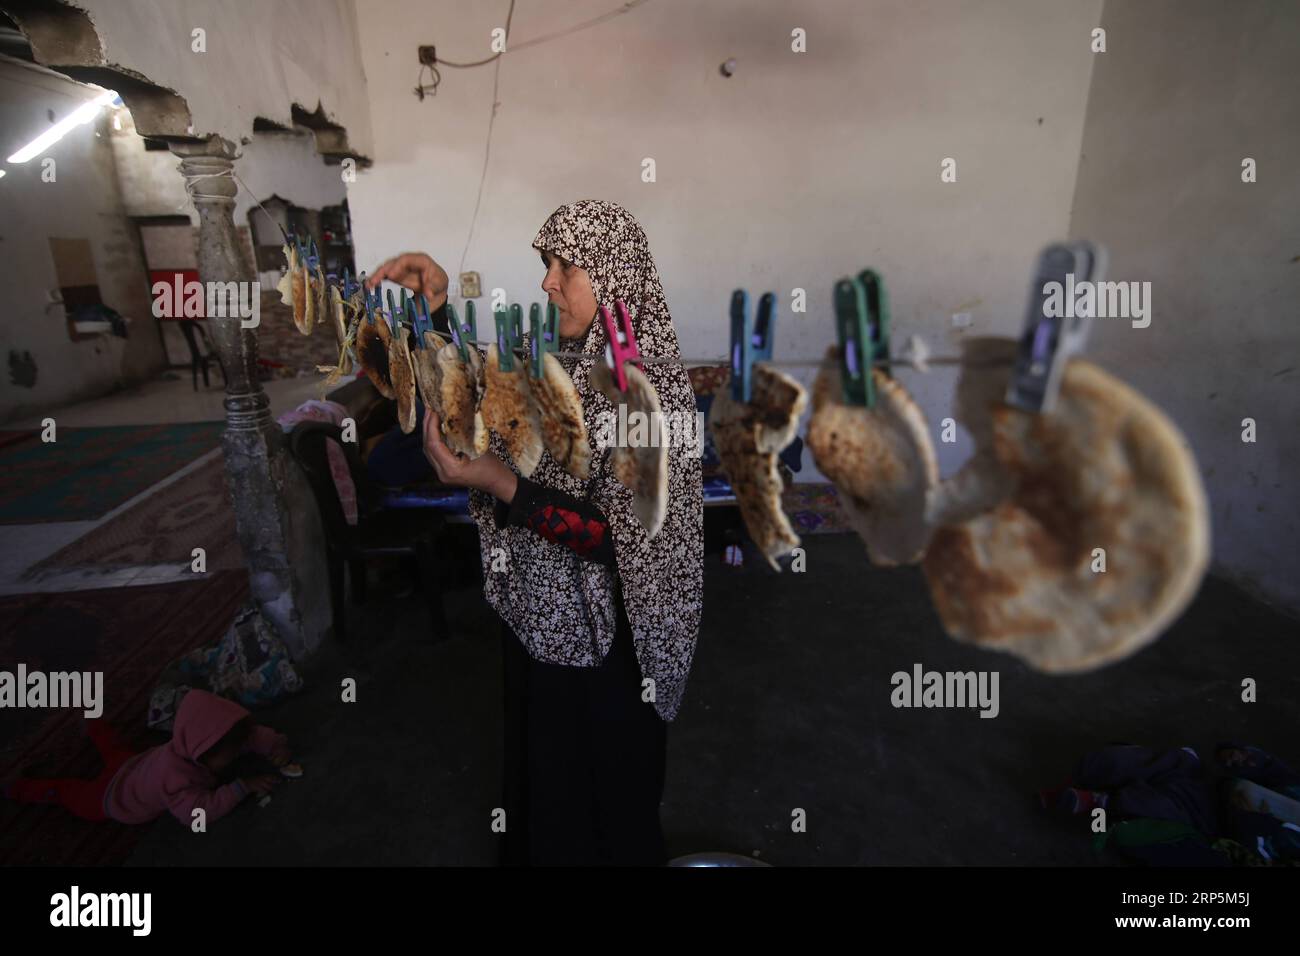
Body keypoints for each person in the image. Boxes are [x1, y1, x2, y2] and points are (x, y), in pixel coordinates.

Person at [366, 200, 704, 865]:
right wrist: (432, 313)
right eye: (547, 265)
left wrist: (500, 485)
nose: (548, 282)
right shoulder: (567, 362)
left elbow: (622, 541)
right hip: (543, 623)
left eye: (565, 266)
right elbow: (469, 409)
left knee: (606, 799)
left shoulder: (649, 388)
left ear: (612, 274)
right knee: (546, 786)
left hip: (610, 648)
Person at [4, 690, 293, 825]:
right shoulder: (176, 778)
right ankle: (18, 788)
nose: (238, 753)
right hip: (112, 799)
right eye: (229, 754)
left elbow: (250, 737)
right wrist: (242, 786)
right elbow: (197, 814)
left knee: (114, 750)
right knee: (69, 793)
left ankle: (91, 719)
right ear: (201, 753)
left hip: (136, 765)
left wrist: (276, 745)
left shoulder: (208, 742)